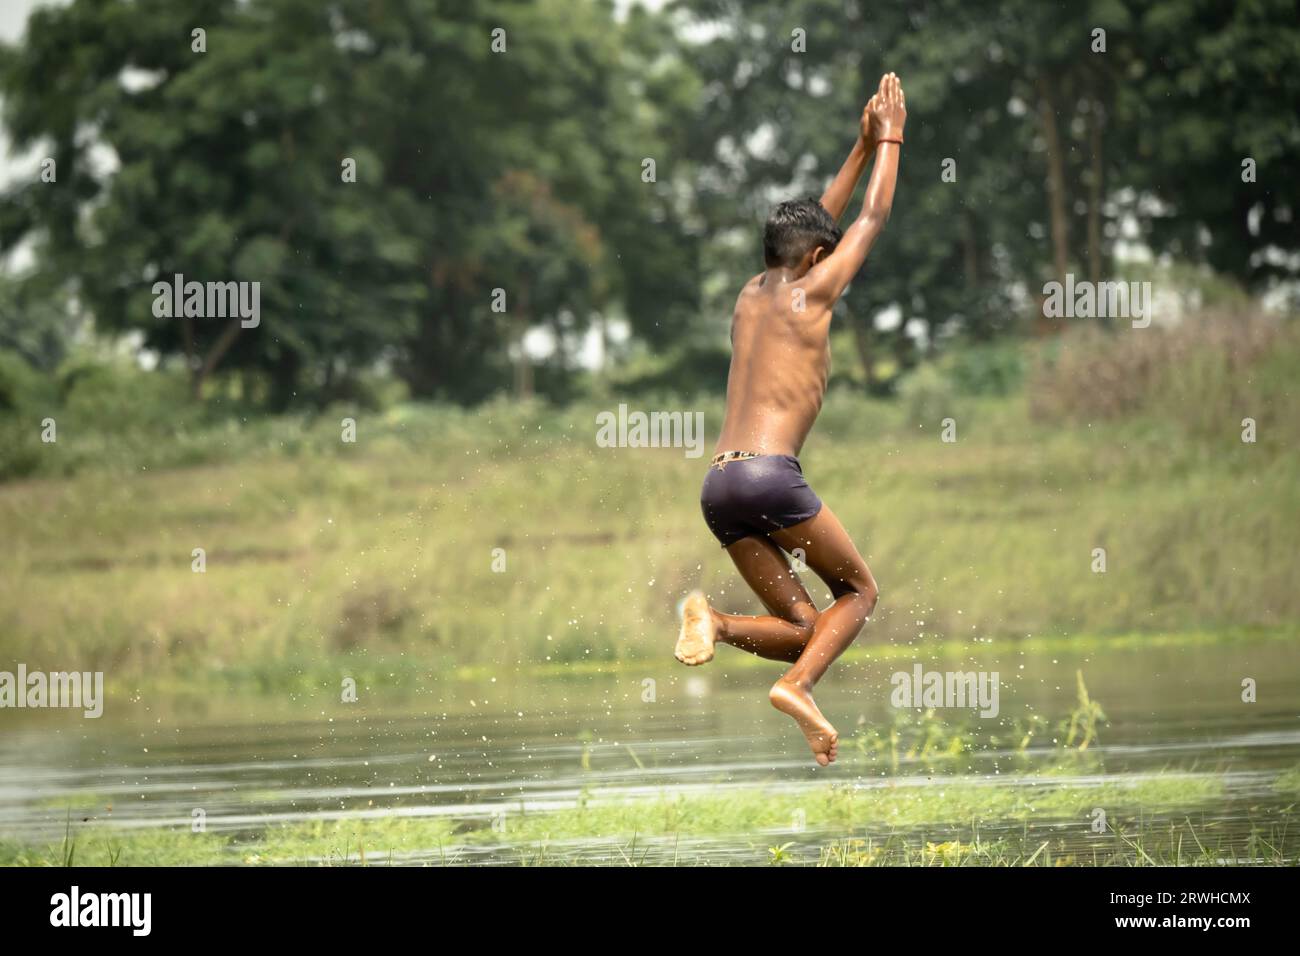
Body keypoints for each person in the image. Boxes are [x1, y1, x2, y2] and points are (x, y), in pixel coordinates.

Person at [674, 73, 906, 766]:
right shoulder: (818, 289)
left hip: (720, 488)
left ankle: (711, 620)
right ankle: (799, 688)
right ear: (814, 262)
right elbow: (867, 220)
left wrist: (858, 149)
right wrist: (892, 136)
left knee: (812, 626)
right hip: (774, 479)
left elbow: (818, 227)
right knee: (859, 592)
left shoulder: (752, 294)